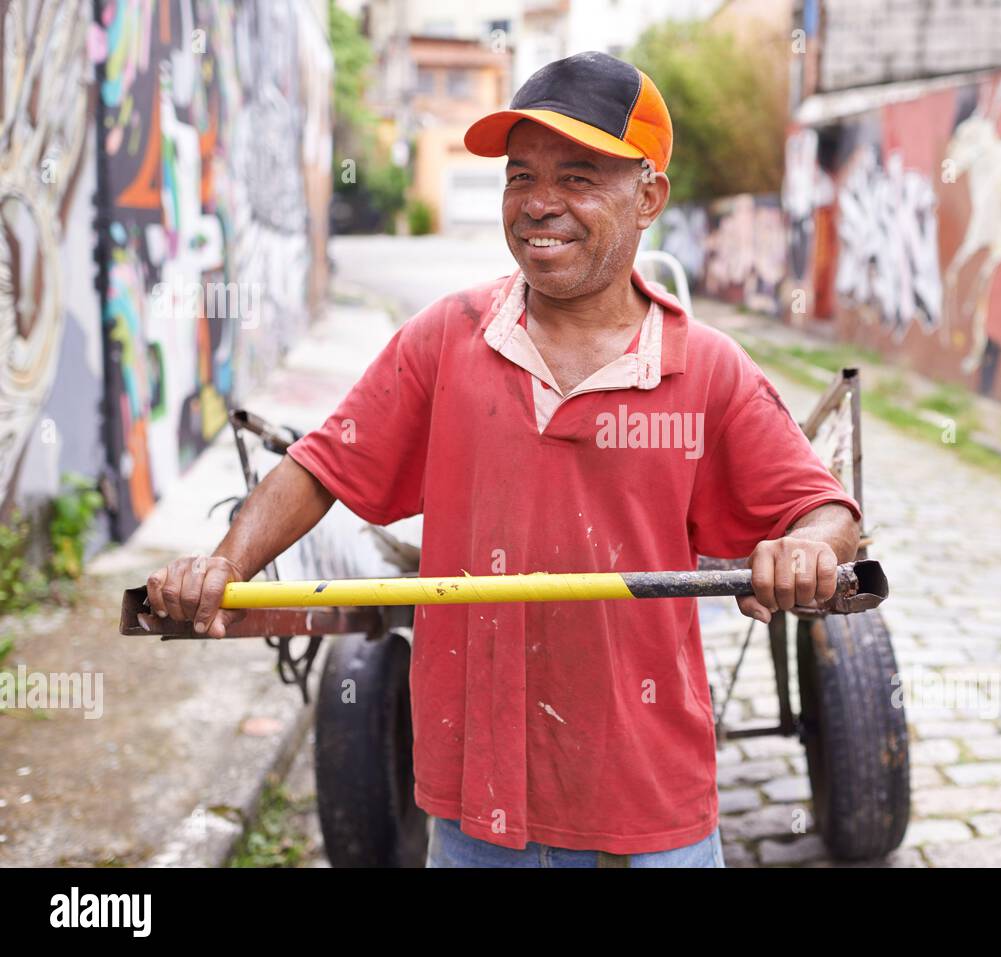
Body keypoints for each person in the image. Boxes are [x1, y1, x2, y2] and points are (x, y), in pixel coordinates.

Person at [145, 51, 861, 868]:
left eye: (578, 177)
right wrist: (223, 564)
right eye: (521, 176)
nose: (539, 203)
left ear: (649, 197)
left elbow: (825, 510)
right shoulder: (446, 338)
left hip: (650, 815)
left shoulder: (707, 369)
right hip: (475, 815)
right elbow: (320, 465)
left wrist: (808, 548)